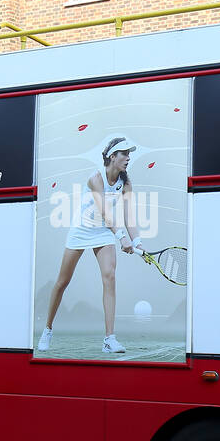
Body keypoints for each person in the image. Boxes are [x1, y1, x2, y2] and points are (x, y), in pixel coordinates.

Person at [39, 136, 143, 354]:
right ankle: (47, 329)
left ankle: (109, 339)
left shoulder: (126, 183)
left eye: (129, 154)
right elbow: (105, 211)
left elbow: (128, 216)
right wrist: (122, 237)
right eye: (124, 153)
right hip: (82, 229)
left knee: (110, 276)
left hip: (103, 233)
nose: (128, 157)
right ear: (112, 156)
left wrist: (137, 241)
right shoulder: (96, 178)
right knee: (62, 282)